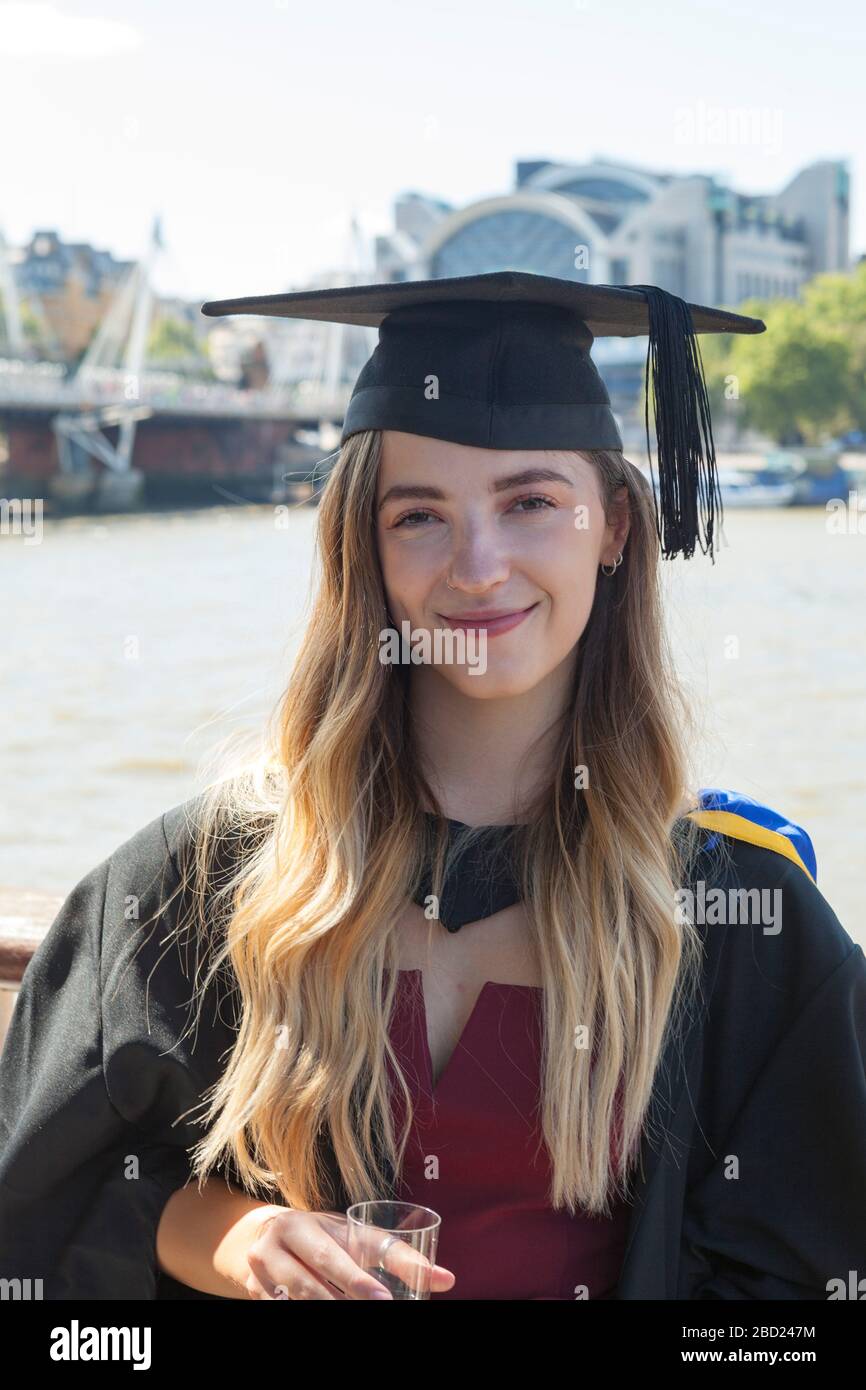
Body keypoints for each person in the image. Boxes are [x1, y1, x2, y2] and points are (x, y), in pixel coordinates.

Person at [1, 273, 864, 1301]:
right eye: (418, 516)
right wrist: (233, 1237)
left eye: (531, 502)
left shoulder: (733, 918)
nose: (477, 566)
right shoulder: (214, 878)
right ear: (361, 543)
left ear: (617, 526)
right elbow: (59, 1197)